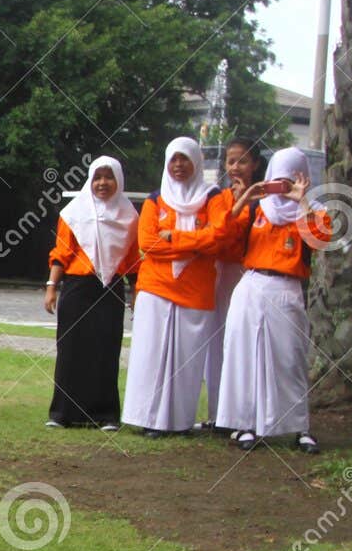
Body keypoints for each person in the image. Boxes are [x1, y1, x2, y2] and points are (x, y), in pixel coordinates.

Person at [215, 147, 329, 453]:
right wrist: (246, 197)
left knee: (290, 358)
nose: (283, 183)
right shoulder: (257, 208)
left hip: (287, 286)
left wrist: (302, 201)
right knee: (243, 355)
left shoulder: (311, 209)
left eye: (290, 178)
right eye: (278, 177)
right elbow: (222, 233)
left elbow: (320, 239)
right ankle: (243, 424)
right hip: (252, 284)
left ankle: (299, 428)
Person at [121, 136, 234, 436]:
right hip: (156, 287)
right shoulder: (155, 199)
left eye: (185, 158)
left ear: (196, 161)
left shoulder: (212, 197)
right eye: (174, 159)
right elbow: (148, 243)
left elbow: (219, 237)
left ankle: (179, 422)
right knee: (151, 355)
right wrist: (195, 246)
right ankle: (149, 420)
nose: (179, 165)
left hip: (196, 290)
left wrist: (174, 237)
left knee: (188, 359)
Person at [44, 156, 139, 429]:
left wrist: (136, 293)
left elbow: (133, 260)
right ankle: (62, 414)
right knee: (70, 350)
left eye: (109, 177)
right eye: (97, 177)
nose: (102, 183)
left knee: (106, 350)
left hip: (110, 289)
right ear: (89, 180)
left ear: (118, 180)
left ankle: (105, 415)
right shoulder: (73, 213)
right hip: (77, 287)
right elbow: (61, 253)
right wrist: (51, 287)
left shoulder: (129, 216)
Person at [205, 137, 266, 429]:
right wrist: (240, 201)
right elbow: (220, 231)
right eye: (231, 161)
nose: (236, 167)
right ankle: (217, 413)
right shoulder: (220, 198)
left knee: (245, 341)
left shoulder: (266, 198)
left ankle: (247, 414)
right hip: (223, 272)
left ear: (255, 164)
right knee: (217, 340)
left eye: (243, 161)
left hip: (251, 272)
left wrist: (249, 200)